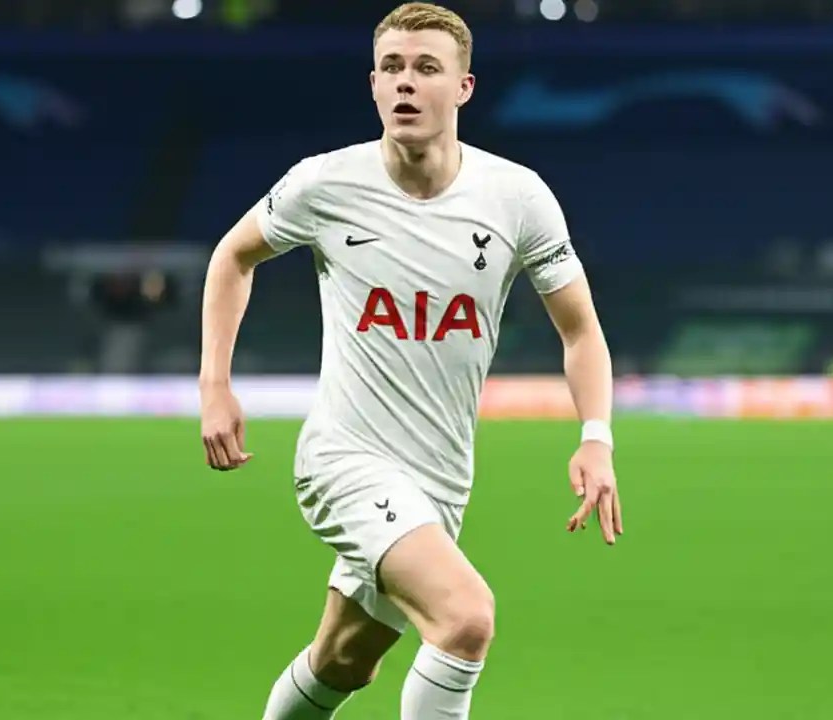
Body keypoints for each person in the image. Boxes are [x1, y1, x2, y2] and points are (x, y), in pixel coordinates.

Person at [198, 3, 622, 717]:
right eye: (392, 68)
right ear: (371, 85)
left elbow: (580, 330)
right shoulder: (324, 185)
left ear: (464, 88)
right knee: (465, 618)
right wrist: (215, 385)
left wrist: (596, 437)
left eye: (427, 68)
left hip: (440, 478)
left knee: (344, 659)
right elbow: (232, 256)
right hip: (344, 459)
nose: (406, 83)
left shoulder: (517, 198)